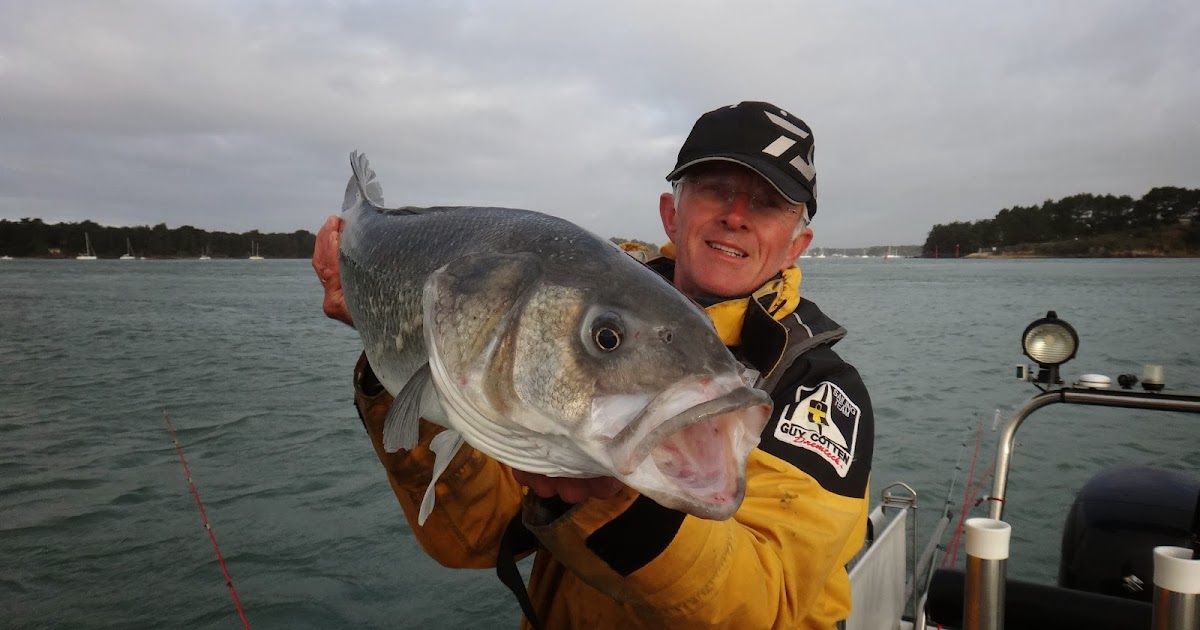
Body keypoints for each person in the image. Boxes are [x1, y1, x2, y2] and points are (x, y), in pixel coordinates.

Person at [313, 100, 874, 629]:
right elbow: (478, 538)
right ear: (671, 214)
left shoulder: (821, 390)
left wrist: (614, 496)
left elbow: (764, 605)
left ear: (797, 245)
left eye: (768, 204)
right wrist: (392, 347)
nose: (735, 217)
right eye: (715, 190)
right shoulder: (554, 340)